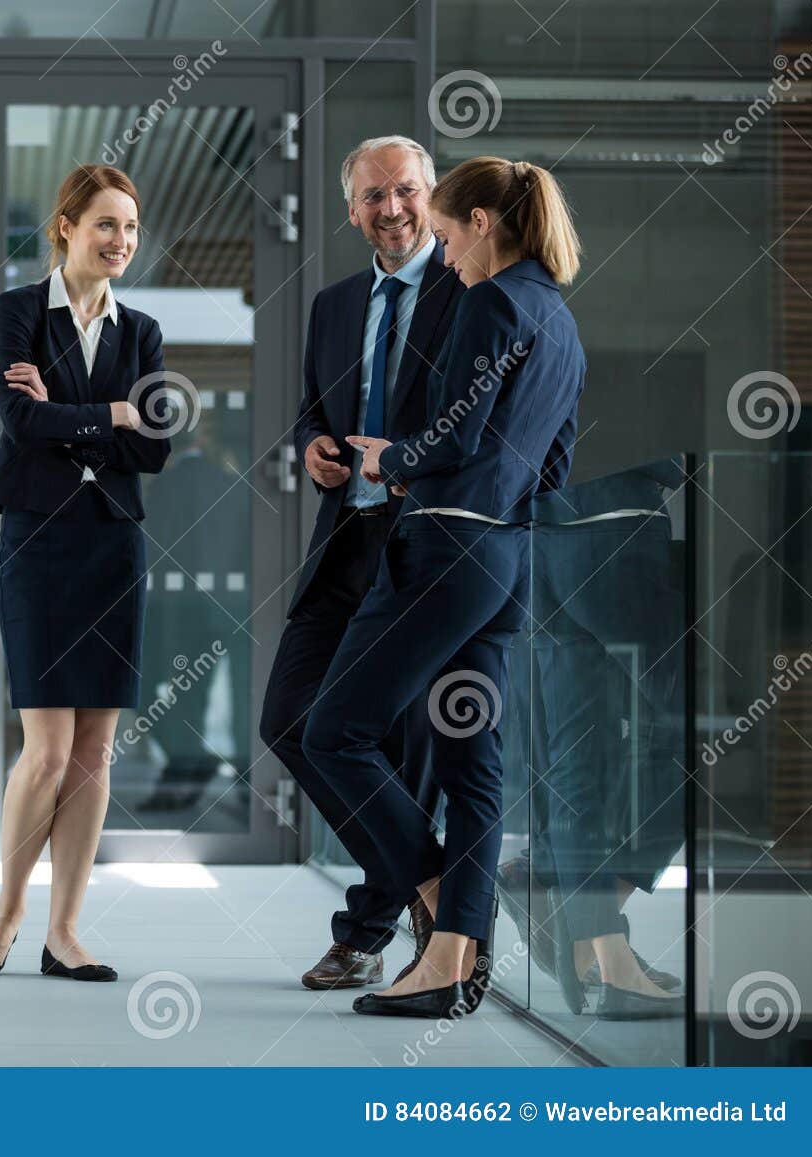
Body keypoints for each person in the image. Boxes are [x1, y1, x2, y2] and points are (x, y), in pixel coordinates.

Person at [302, 155, 586, 1019]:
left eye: (451, 235)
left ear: (482, 225)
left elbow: (453, 436)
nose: (447, 255)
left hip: (442, 552)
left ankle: (430, 885)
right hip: (505, 562)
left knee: (334, 733)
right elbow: (555, 466)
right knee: (472, 764)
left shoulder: (492, 301)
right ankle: (451, 957)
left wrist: (391, 458)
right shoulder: (559, 317)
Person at [259, 136, 462, 991]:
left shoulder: (467, 289)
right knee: (289, 720)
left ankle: (369, 929)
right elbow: (316, 407)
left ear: (432, 195)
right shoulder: (335, 304)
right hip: (346, 537)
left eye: (406, 190)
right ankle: (428, 880)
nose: (392, 208)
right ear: (351, 210)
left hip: (426, 542)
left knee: (403, 741)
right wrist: (312, 445)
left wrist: (409, 462)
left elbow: (476, 419)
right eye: (374, 195)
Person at [0, 164, 172, 982]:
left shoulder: (141, 330)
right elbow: (20, 421)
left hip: (113, 543)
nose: (121, 241)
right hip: (39, 542)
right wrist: (111, 412)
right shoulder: (19, 311)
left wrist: (69, 414)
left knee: (95, 751)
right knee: (46, 750)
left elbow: (154, 447)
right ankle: (7, 914)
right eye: (106, 224)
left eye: (131, 228)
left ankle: (65, 932)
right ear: (67, 227)